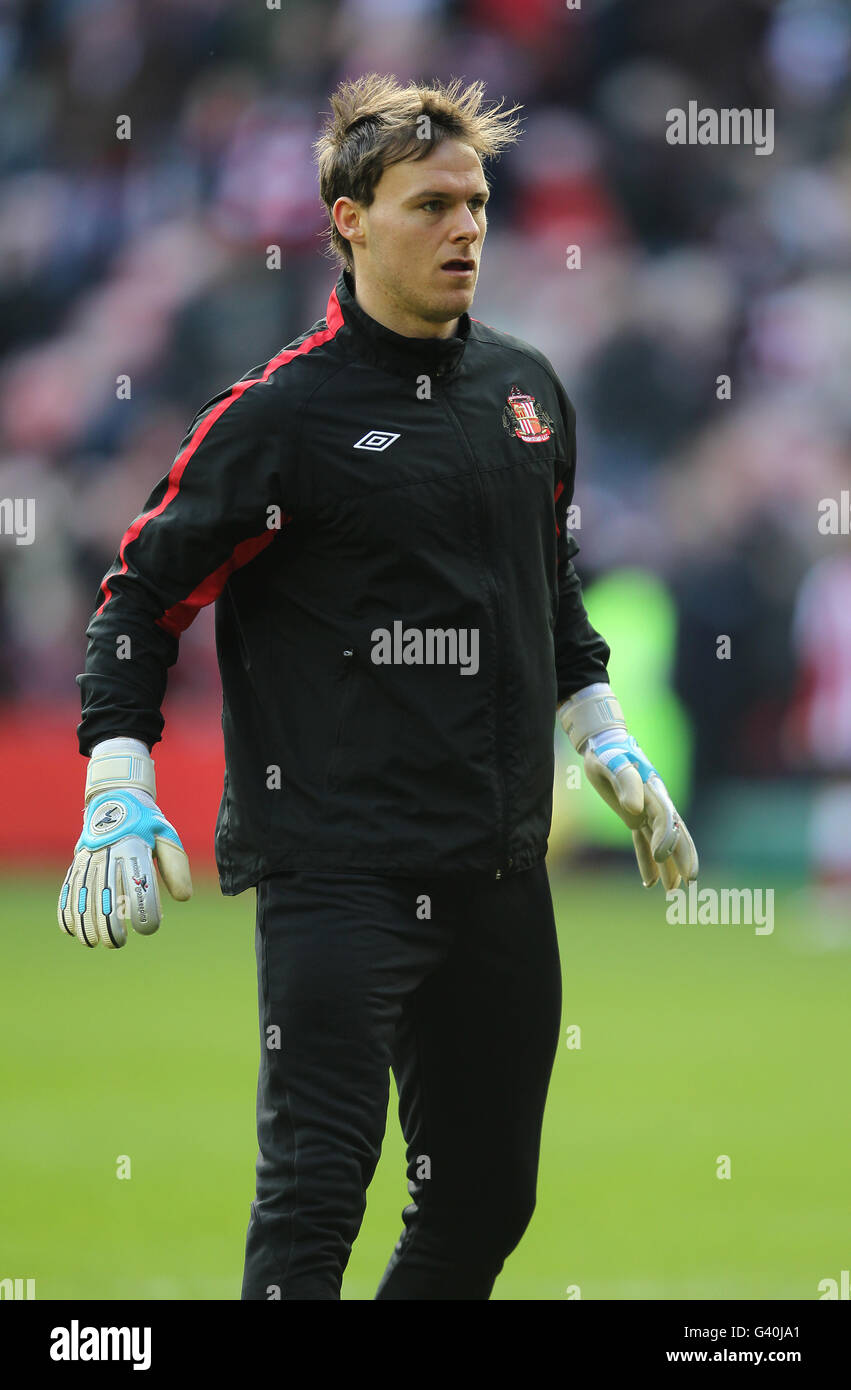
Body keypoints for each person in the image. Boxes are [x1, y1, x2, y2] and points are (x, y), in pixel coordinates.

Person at [59, 73, 698, 1300]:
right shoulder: (275, 417)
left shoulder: (526, 393)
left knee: (483, 1203)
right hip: (337, 870)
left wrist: (604, 732)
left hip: (498, 869)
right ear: (347, 219)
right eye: (429, 205)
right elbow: (141, 595)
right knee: (314, 1204)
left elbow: (546, 588)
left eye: (476, 203)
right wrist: (117, 773)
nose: (465, 228)